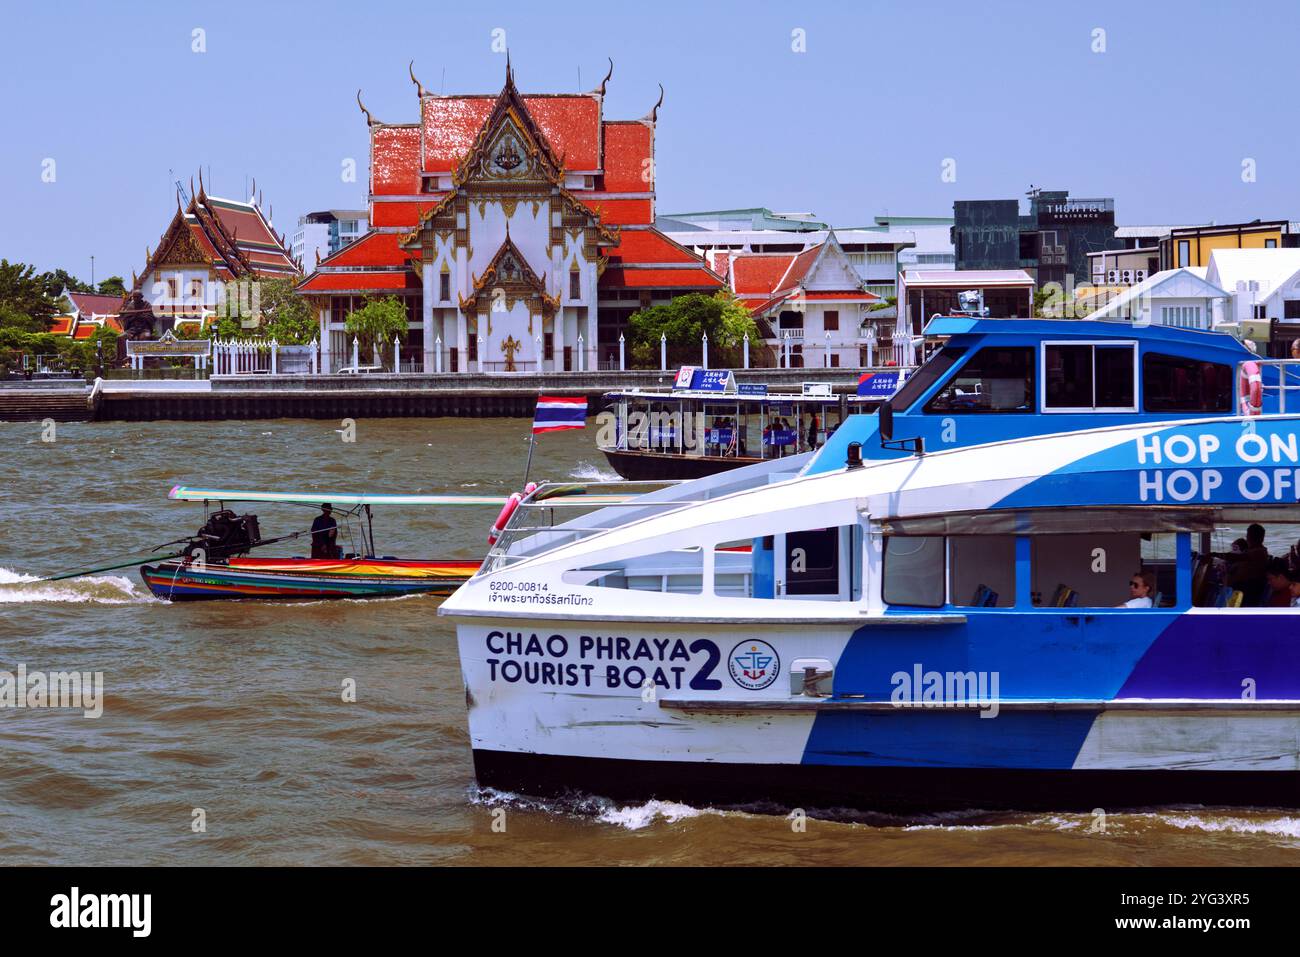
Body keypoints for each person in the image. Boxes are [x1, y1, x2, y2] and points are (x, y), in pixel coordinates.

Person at [1216, 523, 1270, 604]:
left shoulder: (1259, 552)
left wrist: (1214, 554)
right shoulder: (1250, 551)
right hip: (1236, 588)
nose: (1248, 538)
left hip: (1246, 593)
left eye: (1249, 536)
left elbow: (1237, 557)